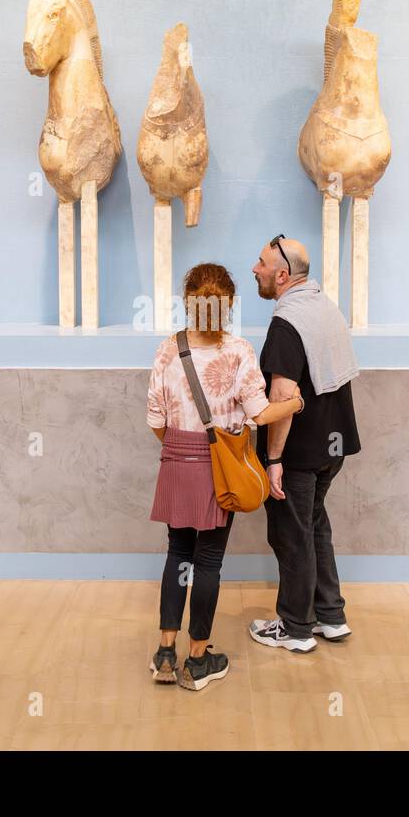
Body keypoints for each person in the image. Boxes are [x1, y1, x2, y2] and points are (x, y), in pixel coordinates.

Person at [146, 263, 304, 690]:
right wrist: (295, 405)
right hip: (220, 469)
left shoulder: (167, 349)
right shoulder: (238, 352)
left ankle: (165, 652)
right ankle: (198, 661)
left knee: (177, 555)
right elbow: (260, 413)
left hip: (176, 461)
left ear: (190, 302)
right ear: (228, 305)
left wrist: (181, 446)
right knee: (209, 561)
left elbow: (155, 420)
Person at [248, 235, 361, 653]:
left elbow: (282, 397)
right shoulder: (325, 307)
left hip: (299, 452)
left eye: (261, 264)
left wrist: (274, 458)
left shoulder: (286, 323)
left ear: (282, 275)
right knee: (315, 525)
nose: (254, 269)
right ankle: (330, 616)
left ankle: (295, 627)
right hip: (334, 445)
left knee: (291, 534)